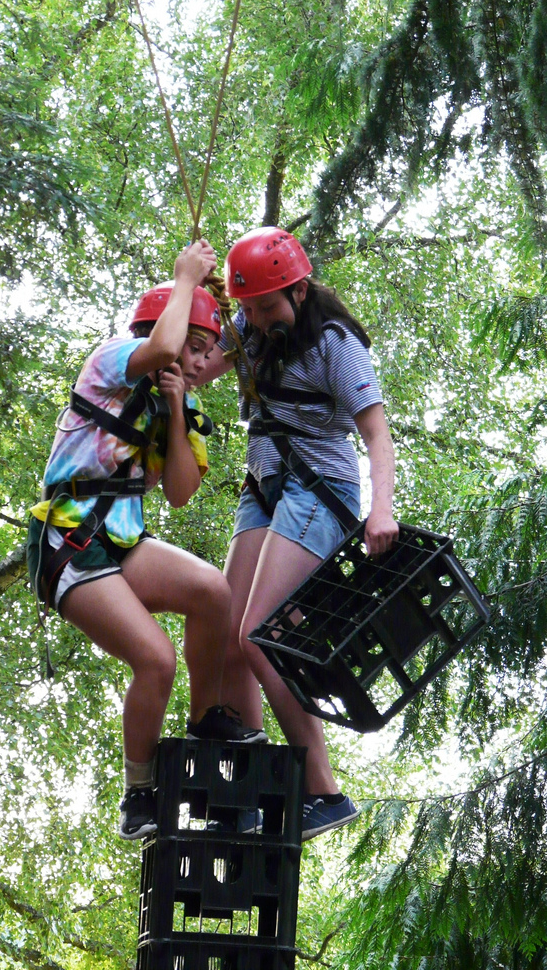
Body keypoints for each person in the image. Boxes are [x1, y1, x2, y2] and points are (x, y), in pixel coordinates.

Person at [27, 239, 267, 842]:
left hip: (121, 541)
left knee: (213, 590)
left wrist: (178, 406)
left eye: (205, 351)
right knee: (156, 659)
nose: (195, 360)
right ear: (163, 330)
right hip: (68, 541)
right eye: (193, 345)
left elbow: (181, 491)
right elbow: (159, 345)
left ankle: (206, 719)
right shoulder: (112, 359)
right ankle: (139, 794)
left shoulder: (174, 407)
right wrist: (187, 276)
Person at [197, 226, 399, 841]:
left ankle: (324, 791)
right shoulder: (248, 328)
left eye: (266, 306)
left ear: (300, 288)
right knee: (229, 633)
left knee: (262, 635)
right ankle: (250, 787)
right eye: (247, 308)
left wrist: (381, 510)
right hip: (266, 484)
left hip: (320, 490)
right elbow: (203, 370)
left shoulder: (336, 344)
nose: (255, 320)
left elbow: (377, 437)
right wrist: (192, 295)